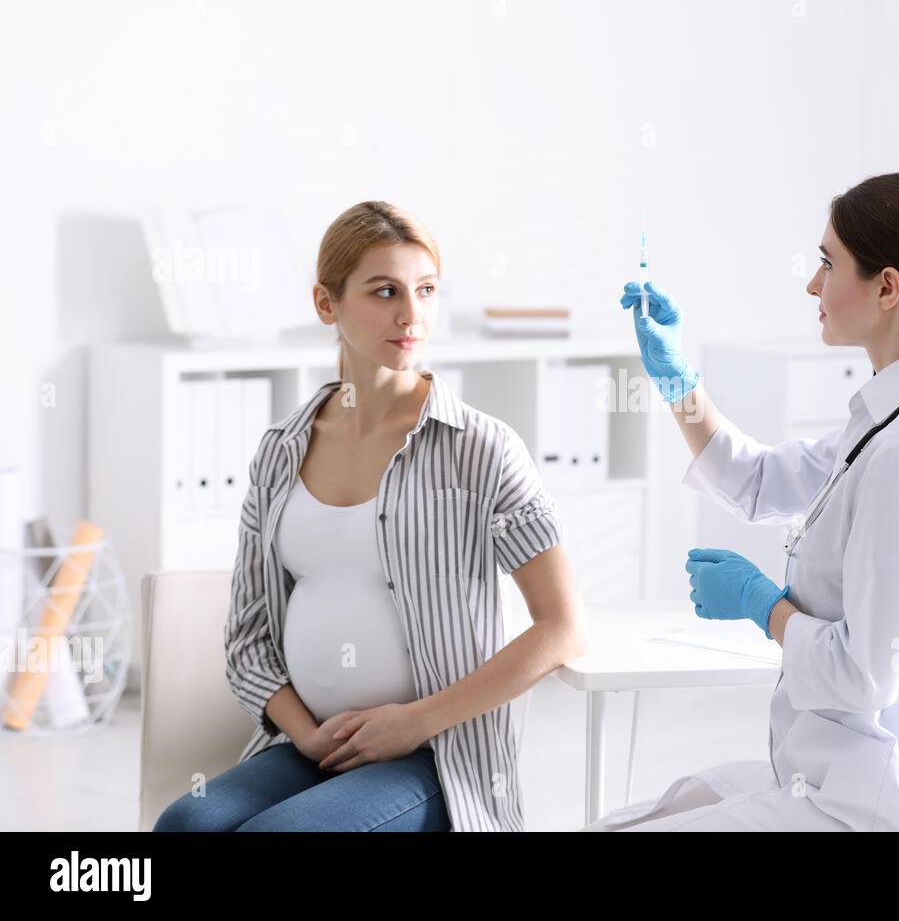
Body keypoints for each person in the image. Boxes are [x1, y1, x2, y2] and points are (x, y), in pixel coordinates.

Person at [592, 172, 899, 831]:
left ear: (887, 287)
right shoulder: (897, 413)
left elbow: (863, 678)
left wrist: (765, 606)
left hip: (877, 800)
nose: (813, 285)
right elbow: (761, 481)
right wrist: (675, 377)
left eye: (828, 264)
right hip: (834, 775)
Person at [155, 201, 586, 832]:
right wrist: (307, 736)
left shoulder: (480, 448)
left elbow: (563, 629)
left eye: (426, 291)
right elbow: (247, 638)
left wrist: (411, 722)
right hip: (312, 749)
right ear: (326, 304)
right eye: (385, 292)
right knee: (184, 826)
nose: (411, 315)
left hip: (435, 757)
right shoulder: (281, 451)